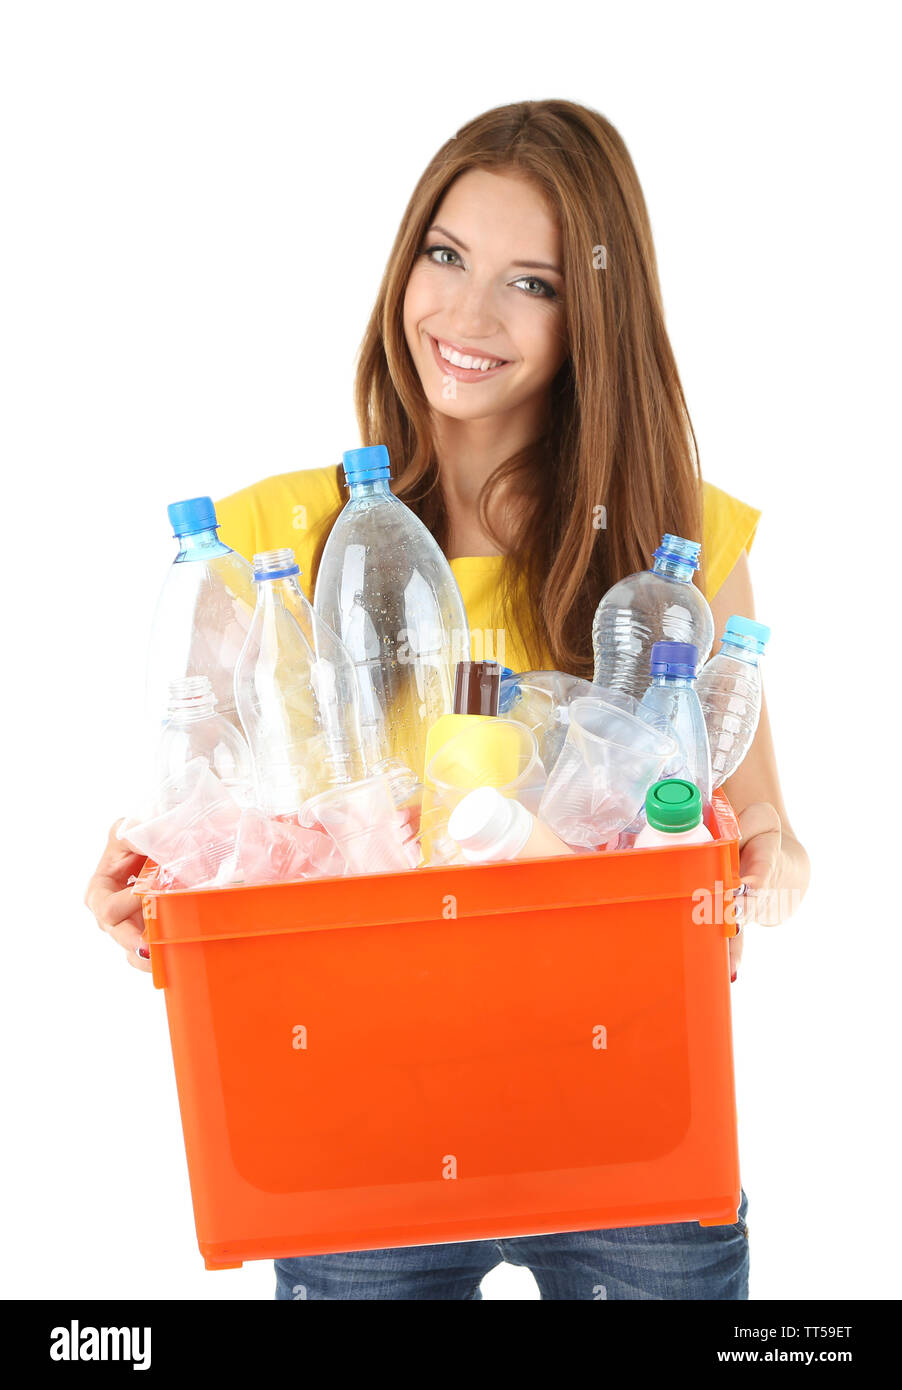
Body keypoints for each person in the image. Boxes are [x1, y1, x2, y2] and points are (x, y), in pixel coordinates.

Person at [85, 99, 810, 1300]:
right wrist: (138, 891)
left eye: (531, 283)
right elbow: (207, 806)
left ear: (595, 315)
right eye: (445, 254)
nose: (466, 318)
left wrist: (768, 863)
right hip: (358, 1133)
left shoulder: (673, 536)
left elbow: (756, 816)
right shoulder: (265, 542)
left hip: (628, 1117)